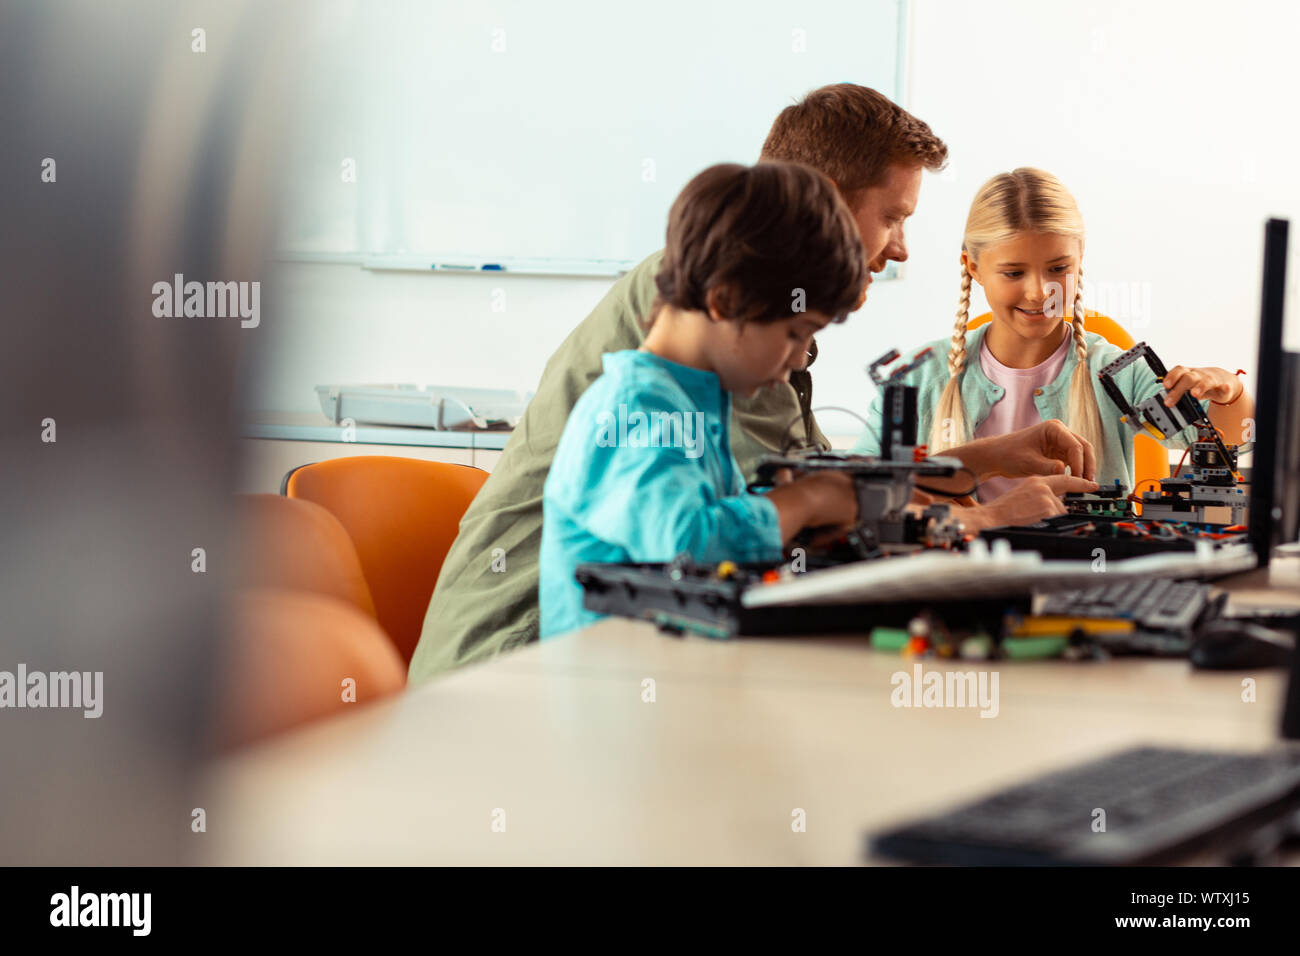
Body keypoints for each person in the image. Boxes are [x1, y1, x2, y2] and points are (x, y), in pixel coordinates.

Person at [409, 89, 1092, 684]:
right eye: (893, 215)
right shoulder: (709, 321)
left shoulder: (740, 320)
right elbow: (763, 526)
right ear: (816, 202)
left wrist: (976, 461)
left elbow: (809, 487)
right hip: (520, 664)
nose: (903, 246)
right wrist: (980, 521)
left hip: (638, 657)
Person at [541, 162, 867, 638]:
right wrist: (806, 500)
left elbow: (705, 516)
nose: (799, 359)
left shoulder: (692, 405)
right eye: (795, 332)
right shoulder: (634, 406)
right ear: (726, 300)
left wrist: (780, 509)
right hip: (613, 692)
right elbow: (684, 542)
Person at [852, 167, 1254, 499]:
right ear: (973, 267)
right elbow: (860, 488)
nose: (1040, 291)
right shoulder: (918, 378)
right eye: (1013, 272)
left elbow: (1223, 443)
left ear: (1079, 263)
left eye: (1059, 268)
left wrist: (1228, 393)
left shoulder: (1114, 372)